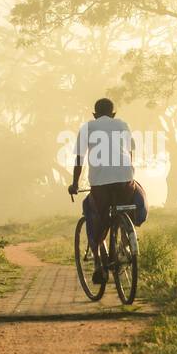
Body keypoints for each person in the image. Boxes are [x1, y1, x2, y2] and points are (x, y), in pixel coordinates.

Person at [68, 97, 135, 284]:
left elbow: (79, 160)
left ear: (94, 114)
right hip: (125, 179)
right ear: (113, 114)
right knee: (125, 206)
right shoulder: (123, 125)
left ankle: (98, 263)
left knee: (92, 211)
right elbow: (130, 154)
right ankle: (125, 241)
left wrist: (74, 184)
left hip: (100, 183)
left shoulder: (87, 127)